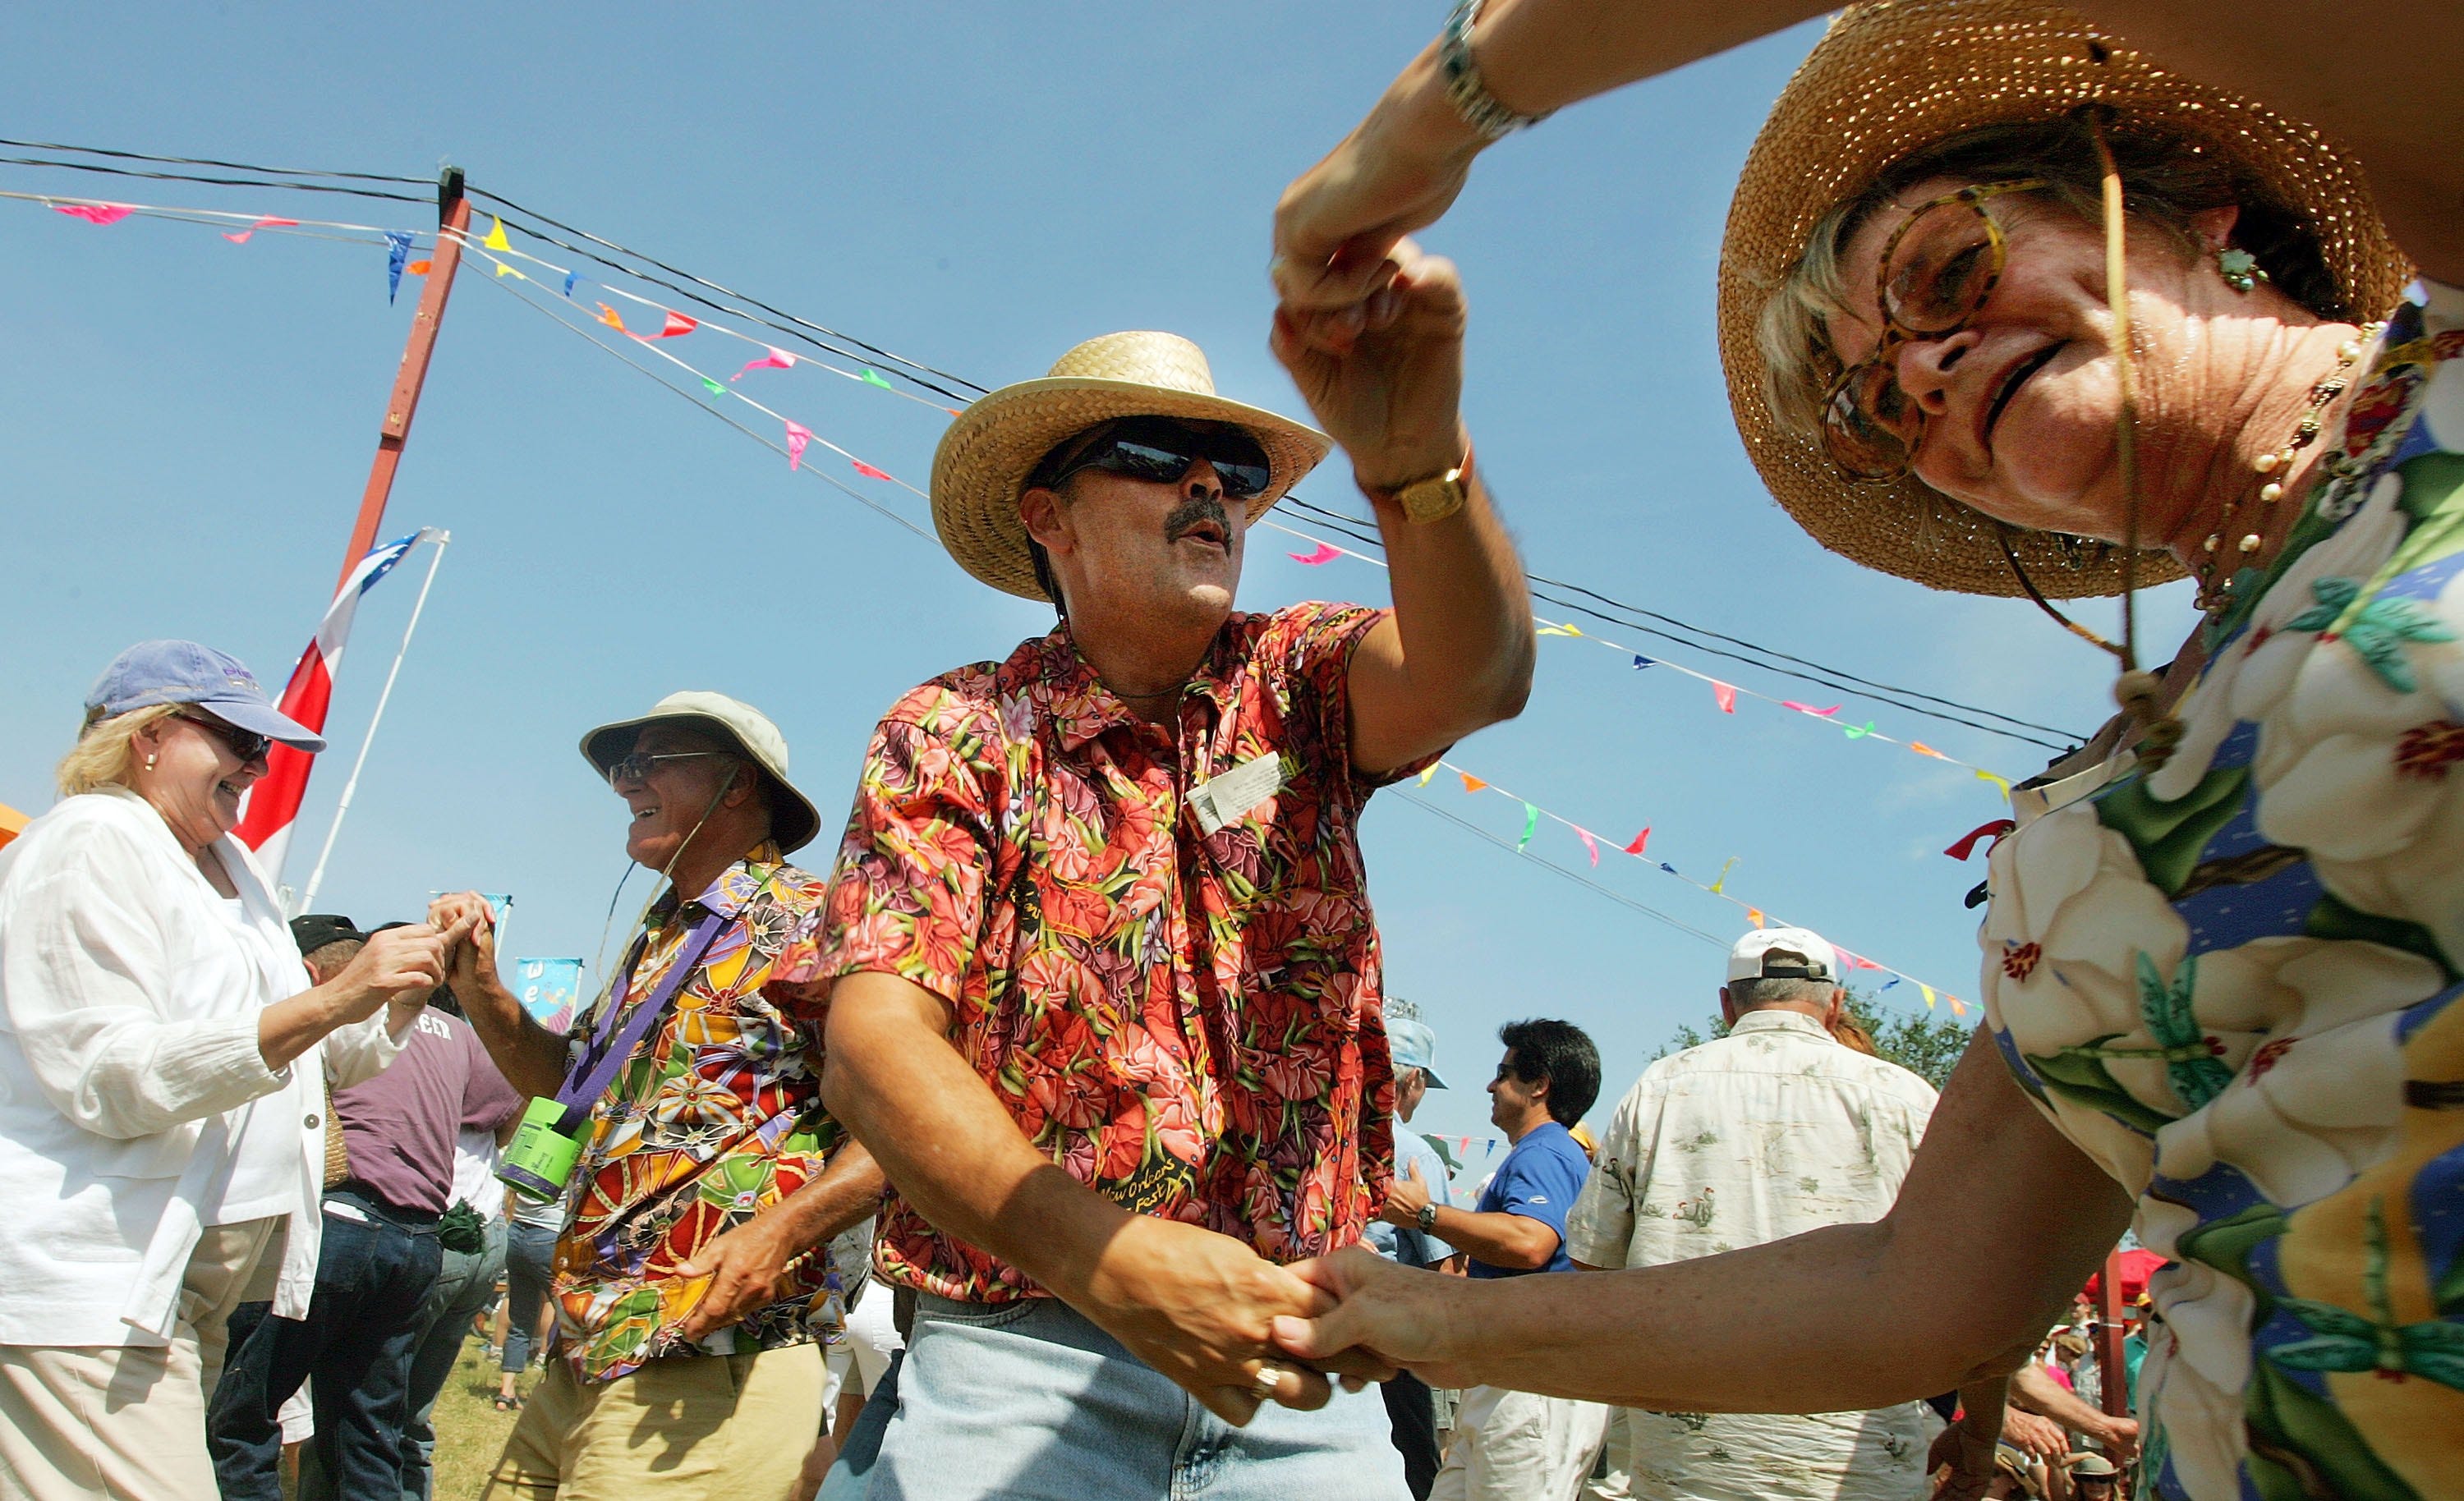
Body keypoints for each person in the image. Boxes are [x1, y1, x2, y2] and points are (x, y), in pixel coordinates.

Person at [1266, 3, 2463, 1499]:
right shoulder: (2105, 802)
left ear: (2181, 199)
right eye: (1877, 407)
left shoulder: (2448, 349)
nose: (1933, 371)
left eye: (1945, 270)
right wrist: (1429, 1314)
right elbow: (1919, 1285)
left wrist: (1425, 127)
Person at [816, 304, 1535, 1499]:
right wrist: (1111, 1264)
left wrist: (1420, 464)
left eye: (1236, 470)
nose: (1209, 484)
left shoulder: (1301, 681)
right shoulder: (955, 731)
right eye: (1154, 454)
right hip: (1018, 1356)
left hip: (1300, 1367)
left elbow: (1484, 672)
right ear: (1047, 518)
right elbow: (874, 1046)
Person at [0, 641, 457, 1500]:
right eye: (239, 741)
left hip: (183, 1289)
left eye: (265, 748)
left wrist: (400, 991)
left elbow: (311, 1060)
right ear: (150, 736)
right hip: (93, 1279)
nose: (257, 766)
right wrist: (331, 999)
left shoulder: (229, 870)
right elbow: (110, 1073)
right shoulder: (92, 843)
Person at [434, 692, 885, 1500]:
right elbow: (570, 1090)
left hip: (708, 1364)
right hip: (587, 1348)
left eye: (648, 762)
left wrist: (781, 1233)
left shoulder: (812, 920)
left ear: (737, 785)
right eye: (619, 766)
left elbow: (910, 1127)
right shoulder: (664, 932)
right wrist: (484, 991)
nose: (621, 783)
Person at [1559, 928, 1940, 1501]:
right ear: (1835, 1005)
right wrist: (1982, 1428)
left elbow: (1593, 1260)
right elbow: (1968, 1277)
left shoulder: (1662, 1088)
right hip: (1858, 1461)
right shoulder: (1906, 1097)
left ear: (1726, 1003)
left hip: (1687, 1460)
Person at [209, 918, 524, 1501]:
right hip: (419, 1242)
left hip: (339, 1225)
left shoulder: (331, 1016)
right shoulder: (457, 1033)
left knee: (244, 1413)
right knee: (370, 1432)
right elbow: (513, 1103)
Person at [1428, 1020, 1606, 1501]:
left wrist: (1426, 1214)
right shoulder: (1542, 1153)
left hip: (1532, 1389)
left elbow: (1531, 1242)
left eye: (1503, 1073)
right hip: (1507, 1379)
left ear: (1538, 1086)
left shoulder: (1545, 1152)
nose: (1490, 1085)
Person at [397, 984, 526, 1501]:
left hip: (432, 1226)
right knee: (415, 1410)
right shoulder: (487, 1057)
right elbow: (507, 1128)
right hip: (485, 1231)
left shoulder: (409, 1039)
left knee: (363, 1400)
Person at [1363, 1008, 1457, 1499]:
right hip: (1397, 1340)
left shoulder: (1336, 1132)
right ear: (1413, 1080)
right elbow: (1444, 1270)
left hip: (1331, 1320)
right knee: (1417, 1462)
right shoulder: (1417, 1153)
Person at [491, 1189, 562, 1412]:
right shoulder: (568, 1158)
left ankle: (506, 1392)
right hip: (549, 1236)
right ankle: (556, 1394)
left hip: (516, 1234)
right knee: (569, 1318)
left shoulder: (528, 1157)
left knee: (520, 1319)